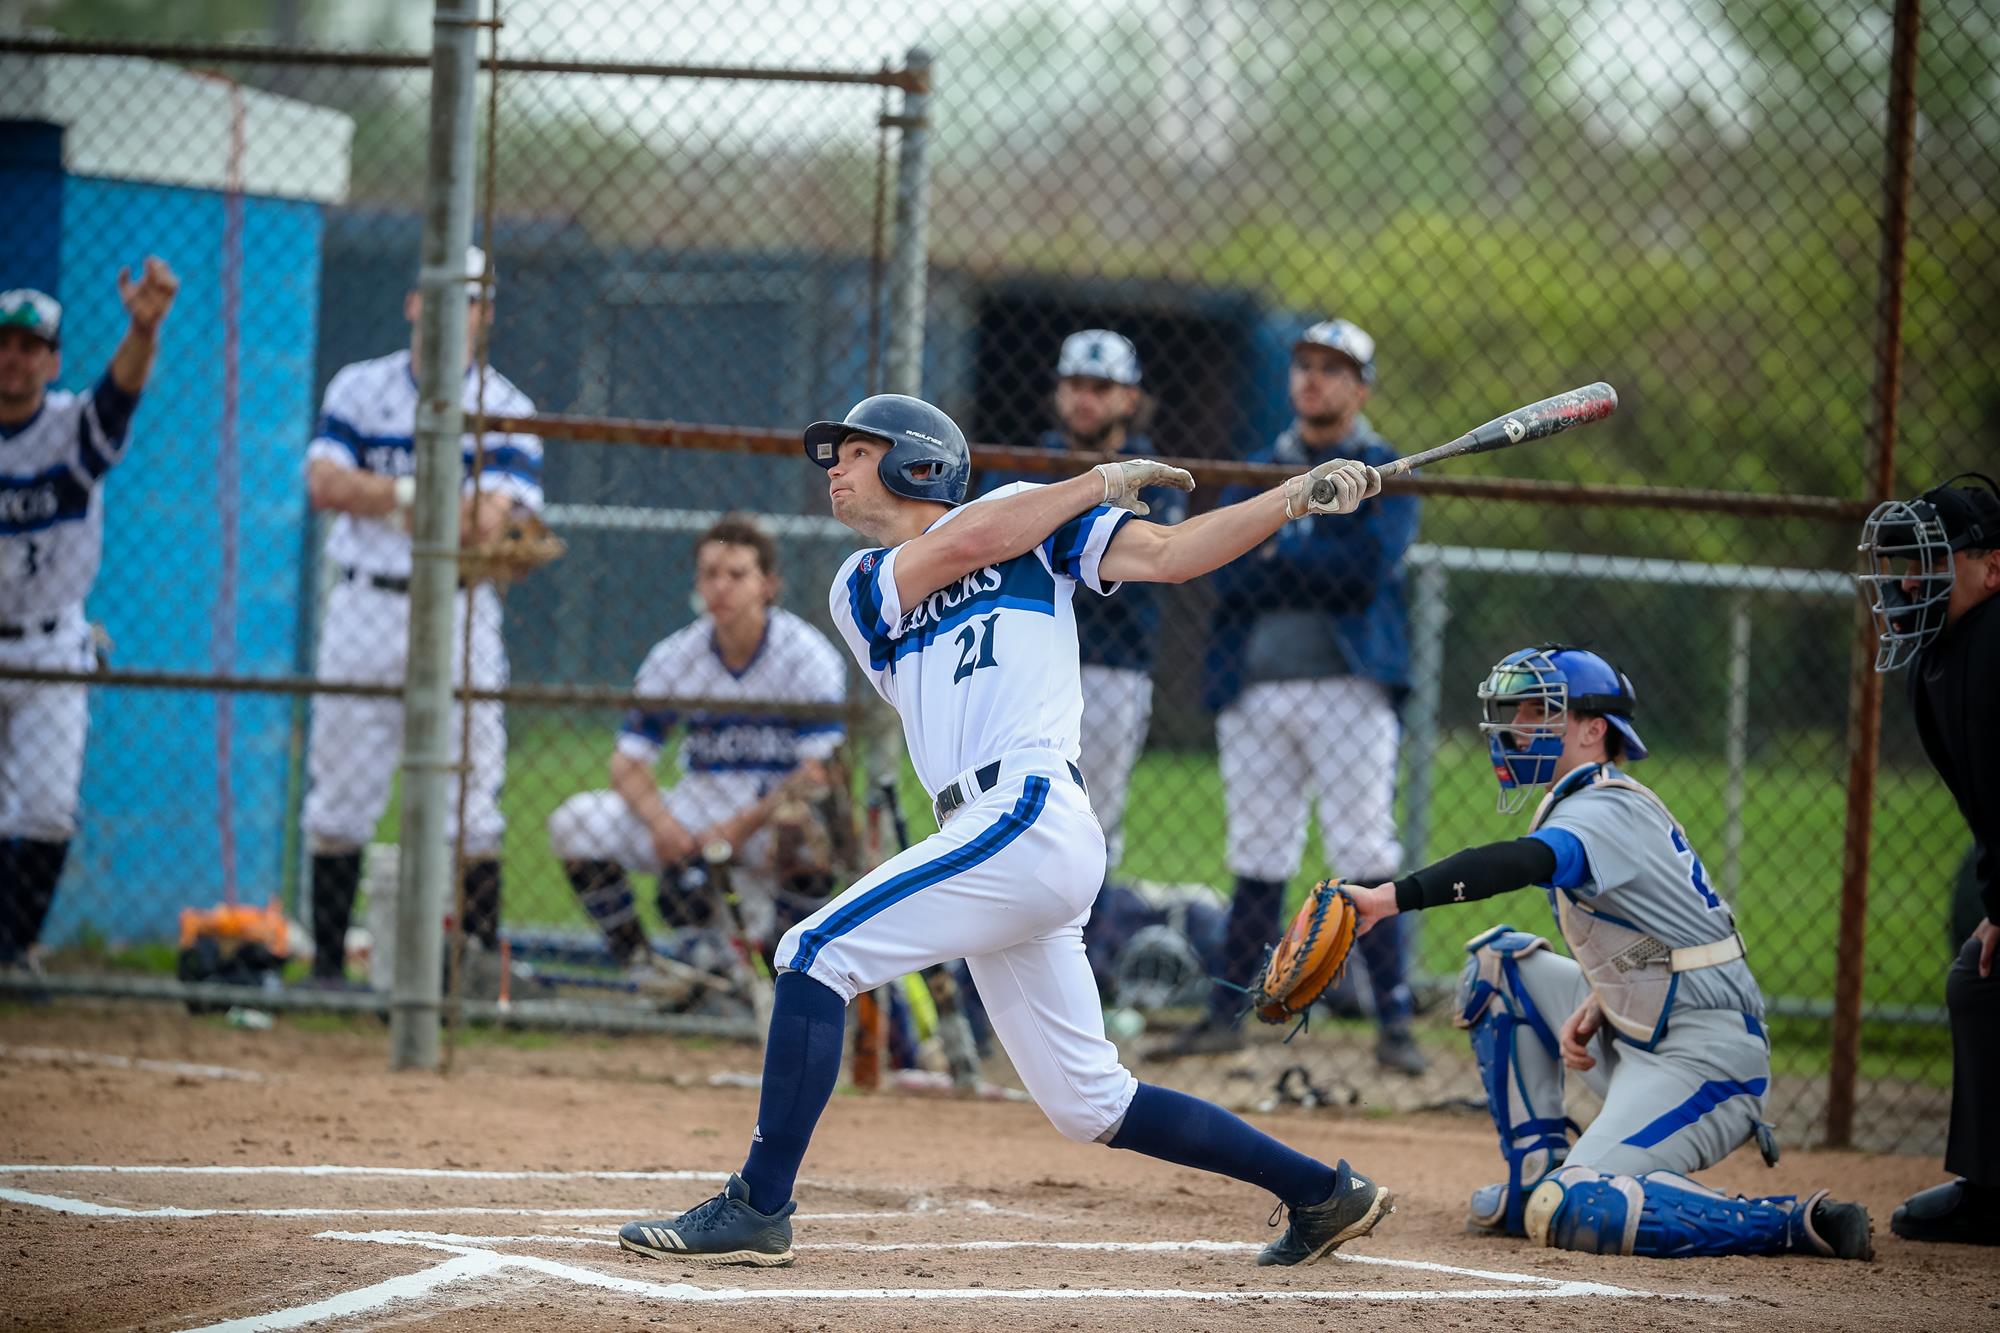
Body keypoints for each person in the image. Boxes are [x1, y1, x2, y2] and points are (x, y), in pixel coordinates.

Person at [617, 392, 1395, 1268]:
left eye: (854, 451)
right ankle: (1323, 1192)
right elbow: (965, 542)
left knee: (811, 952)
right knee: (1090, 1103)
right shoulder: (863, 583)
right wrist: (1093, 483)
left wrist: (1295, 498)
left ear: (915, 459)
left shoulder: (1038, 520)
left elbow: (1174, 553)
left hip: (1026, 808)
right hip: (993, 833)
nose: (832, 466)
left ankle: (757, 1206)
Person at [1341, 645, 1873, 1260]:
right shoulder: (1597, 801)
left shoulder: (1604, 807)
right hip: (1643, 1021)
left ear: (1595, 730)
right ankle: (1531, 1183)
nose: (1517, 726)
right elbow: (1666, 933)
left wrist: (1391, 898)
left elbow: (1523, 862)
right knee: (1499, 966)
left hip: (1705, 1060)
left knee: (1578, 1206)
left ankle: (1788, 1221)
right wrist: (1606, 990)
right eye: (1516, 711)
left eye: (1540, 711)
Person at [1160, 318, 1425, 1075]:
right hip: (1257, 689)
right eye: (1306, 364)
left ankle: (1396, 1021)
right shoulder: (1255, 471)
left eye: (1334, 368)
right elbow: (1227, 571)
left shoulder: (1385, 469)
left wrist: (1285, 542)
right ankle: (1228, 1012)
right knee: (1257, 851)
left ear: (1361, 387)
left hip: (1350, 688)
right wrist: (1306, 542)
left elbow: (1367, 570)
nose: (1314, 378)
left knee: (1364, 850)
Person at [299, 246, 540, 984]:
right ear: (413, 304)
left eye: (467, 301)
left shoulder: (508, 405)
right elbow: (321, 483)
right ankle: (331, 968)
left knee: (472, 796)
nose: (451, 313)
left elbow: (486, 522)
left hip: (461, 610)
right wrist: (414, 498)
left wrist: (380, 492)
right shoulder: (360, 387)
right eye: (438, 298)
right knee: (339, 791)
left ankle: (471, 970)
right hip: (367, 601)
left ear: (484, 315)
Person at [546, 515, 847, 979]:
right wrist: (663, 825)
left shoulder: (805, 654)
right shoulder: (677, 656)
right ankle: (648, 972)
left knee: (808, 829)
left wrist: (740, 828)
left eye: (737, 574)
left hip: (768, 818)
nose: (721, 587)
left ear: (768, 584)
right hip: (693, 814)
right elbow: (627, 763)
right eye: (710, 574)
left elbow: (816, 771)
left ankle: (788, 973)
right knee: (578, 822)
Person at [0, 262, 179, 972]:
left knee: (46, 808)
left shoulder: (73, 426)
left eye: (29, 346)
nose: (13, 357)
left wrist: (143, 328)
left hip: (50, 644)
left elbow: (120, 395)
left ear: (52, 361)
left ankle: (14, 952)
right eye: (4, 343)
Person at [975, 330, 1184, 873]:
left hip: (1111, 666)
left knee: (1094, 823)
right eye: (1074, 385)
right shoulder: (1021, 466)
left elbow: (1144, 570)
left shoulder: (1153, 476)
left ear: (1129, 398)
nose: (1085, 398)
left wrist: (1043, 538)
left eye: (1101, 386)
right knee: (994, 811)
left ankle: (1087, 952)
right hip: (1021, 664)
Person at [1858, 474, 2000, 1246]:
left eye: (1932, 561)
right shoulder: (1945, 658)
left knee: (1980, 981)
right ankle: (1989, 1186)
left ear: (1994, 568)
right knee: (1978, 979)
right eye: (1904, 563)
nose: (1910, 581)